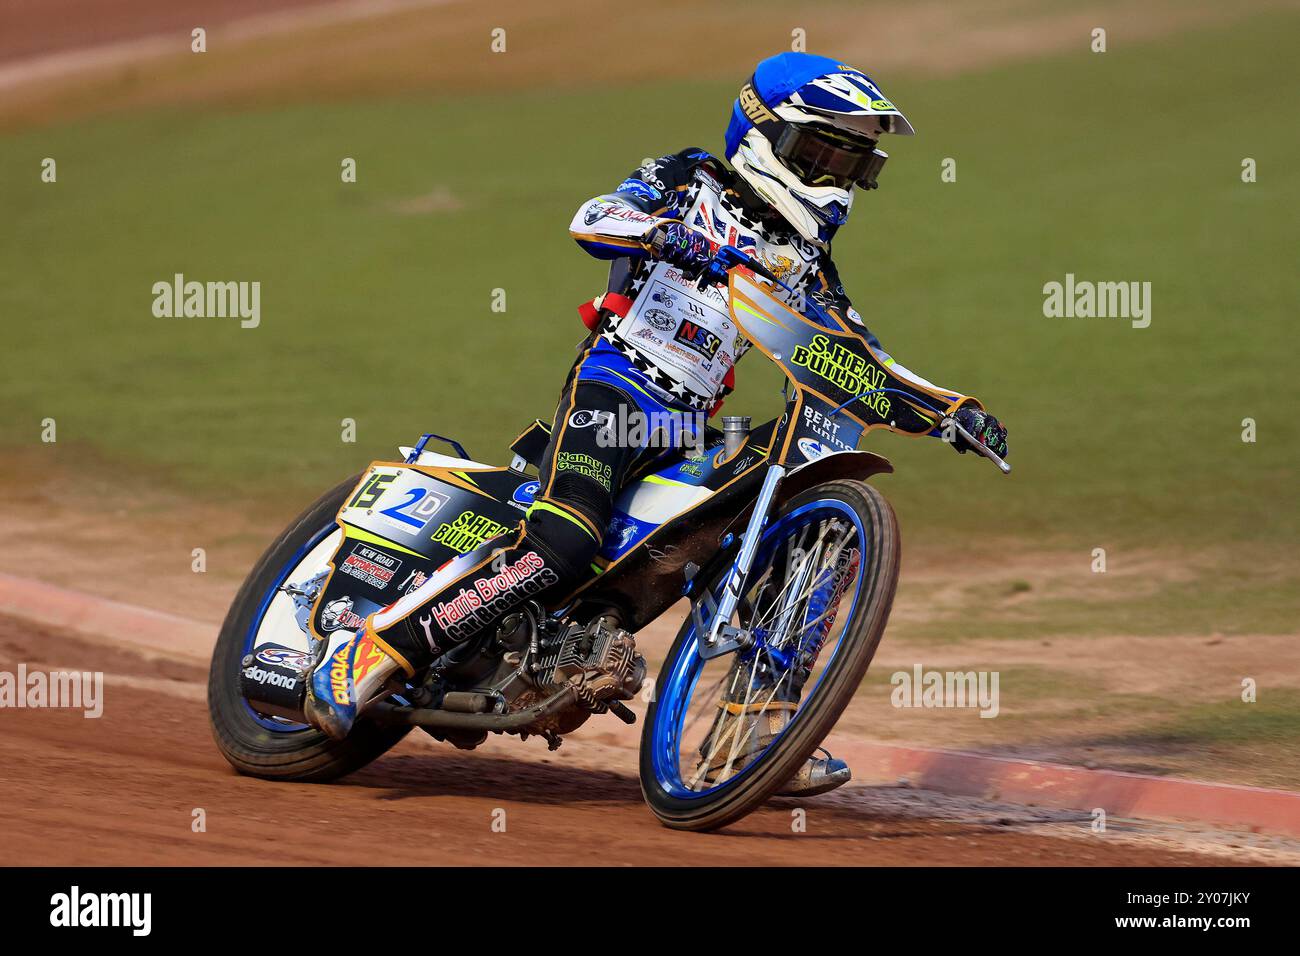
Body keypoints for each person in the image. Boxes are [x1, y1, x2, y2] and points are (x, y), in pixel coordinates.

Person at [304, 52, 1009, 796]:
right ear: (766, 136)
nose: (833, 176)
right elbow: (595, 217)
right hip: (616, 389)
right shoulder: (692, 177)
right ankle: (372, 650)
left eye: (851, 162)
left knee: (790, 491)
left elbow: (858, 357)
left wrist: (951, 413)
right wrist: (662, 233)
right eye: (821, 153)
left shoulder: (809, 261)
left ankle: (764, 719)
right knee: (566, 539)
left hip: (686, 428)